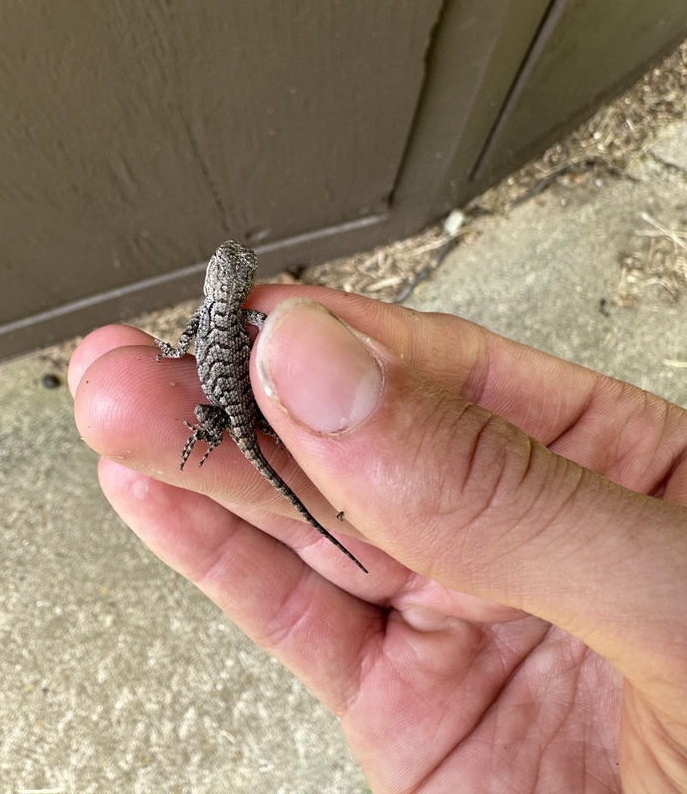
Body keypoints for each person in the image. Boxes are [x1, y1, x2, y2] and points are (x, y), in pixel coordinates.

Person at [69, 285, 687, 793]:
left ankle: (209, 435)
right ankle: (218, 435)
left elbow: (188, 345)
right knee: (260, 474)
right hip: (241, 408)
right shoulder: (236, 315)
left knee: (257, 476)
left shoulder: (207, 318)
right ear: (226, 291)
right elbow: (252, 323)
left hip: (228, 410)